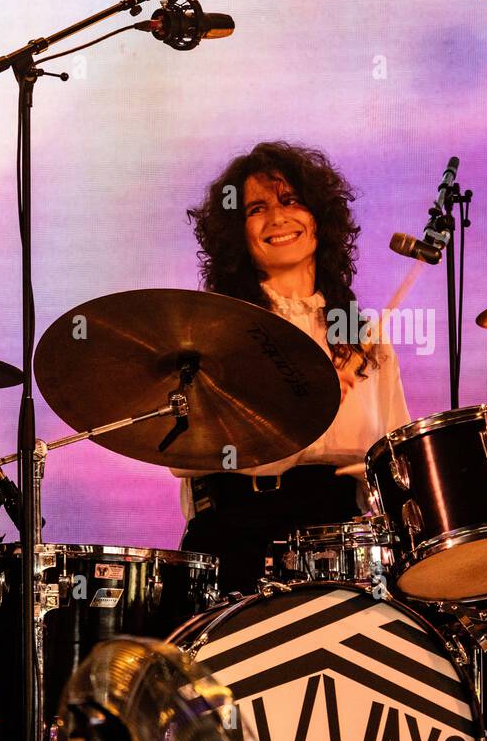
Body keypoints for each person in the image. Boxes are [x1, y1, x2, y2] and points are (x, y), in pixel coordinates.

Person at [172, 141, 410, 594]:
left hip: (343, 547)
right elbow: (183, 454)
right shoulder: (216, 330)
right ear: (236, 233)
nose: (278, 218)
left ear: (320, 217)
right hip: (237, 535)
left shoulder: (366, 337)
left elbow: (395, 462)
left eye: (291, 201)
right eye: (256, 209)